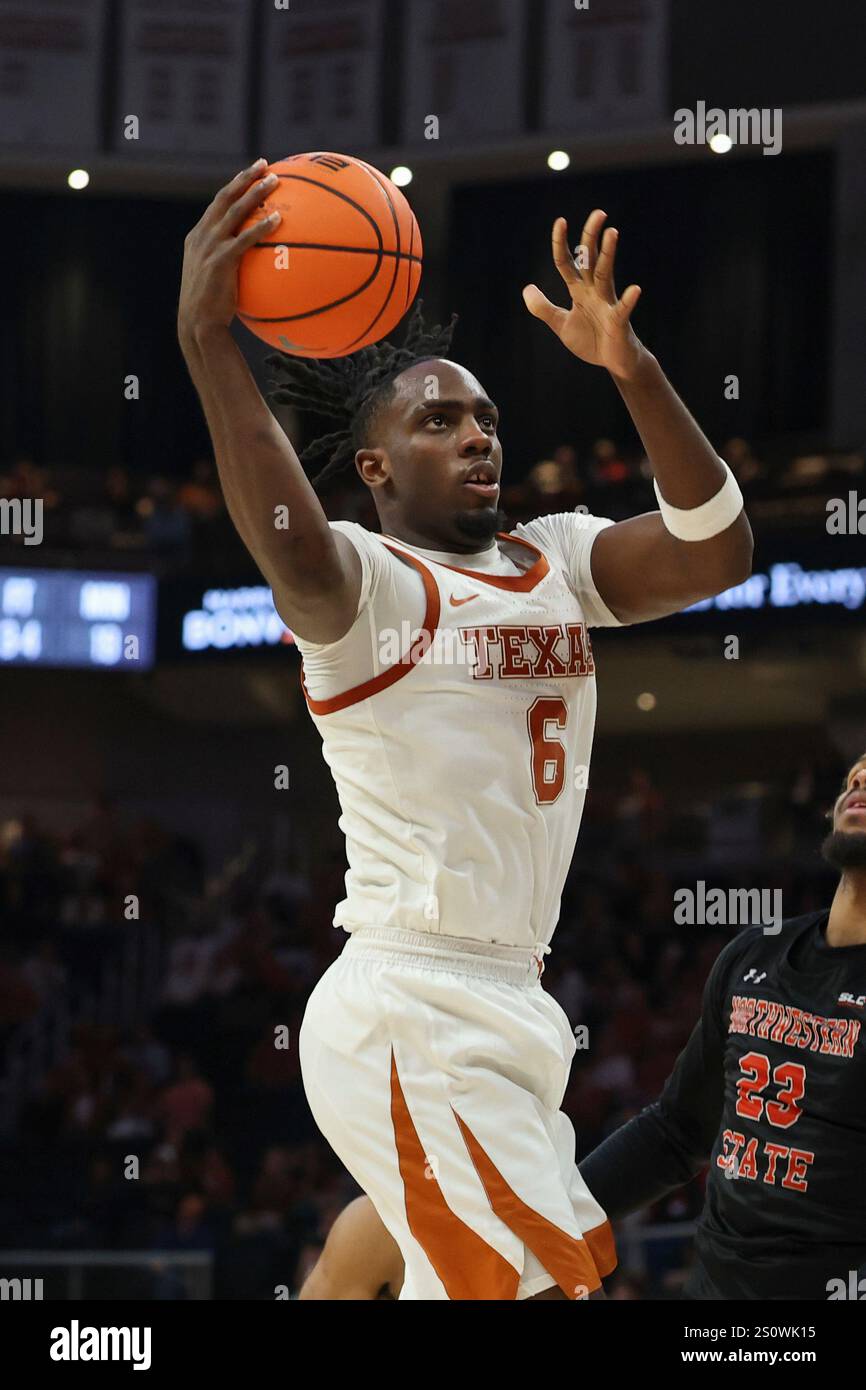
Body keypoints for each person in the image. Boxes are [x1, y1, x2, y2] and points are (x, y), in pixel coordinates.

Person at [177, 159, 753, 1300]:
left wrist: (629, 370)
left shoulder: (556, 558)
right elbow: (287, 535)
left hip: (515, 999)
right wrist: (209, 344)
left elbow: (716, 551)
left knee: (389, 1248)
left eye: (485, 417)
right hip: (413, 996)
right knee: (546, 1289)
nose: (476, 436)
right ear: (375, 466)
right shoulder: (368, 585)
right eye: (438, 421)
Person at [578, 751, 866, 1300]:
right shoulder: (756, 951)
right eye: (856, 770)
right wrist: (551, 1211)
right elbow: (676, 1132)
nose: (860, 776)